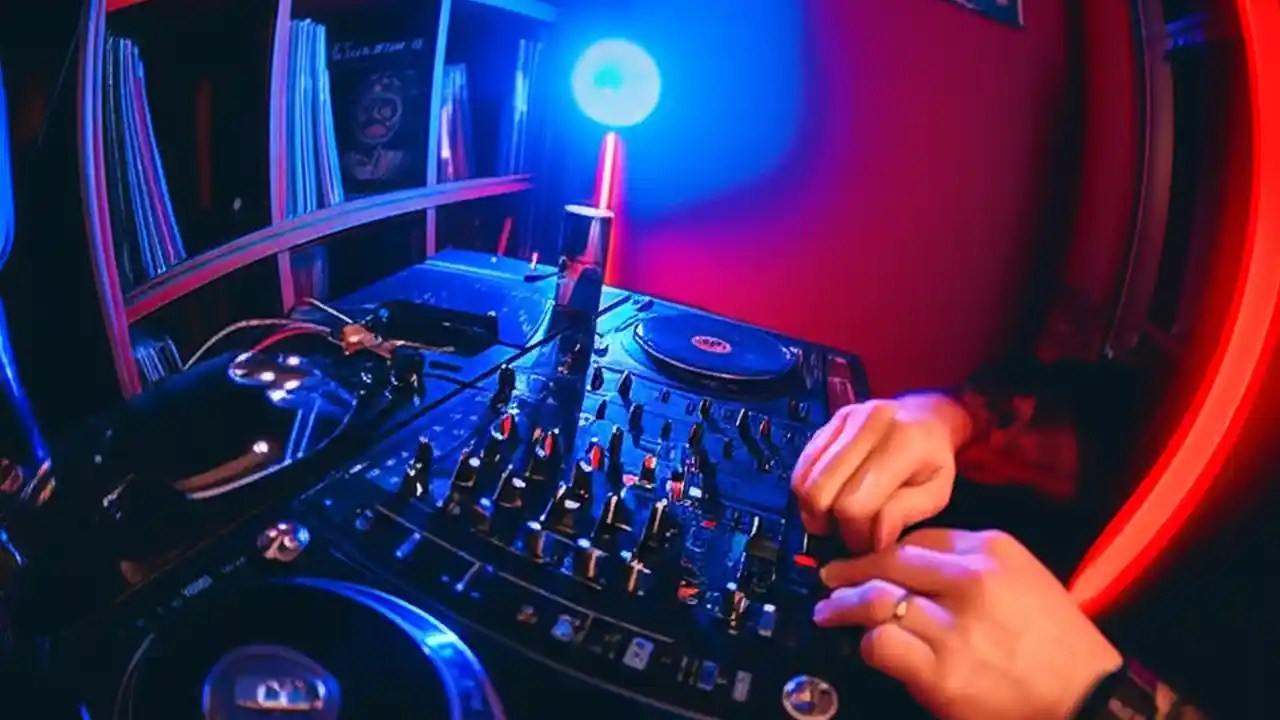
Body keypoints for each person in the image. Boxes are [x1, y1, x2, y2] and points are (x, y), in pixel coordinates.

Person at [790, 359, 1208, 719]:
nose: (1004, 450)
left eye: (1037, 467)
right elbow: (1000, 401)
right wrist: (942, 417)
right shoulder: (1127, 399)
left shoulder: (1193, 594)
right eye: (1013, 424)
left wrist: (1088, 695)